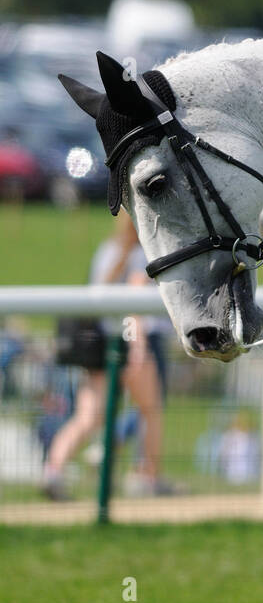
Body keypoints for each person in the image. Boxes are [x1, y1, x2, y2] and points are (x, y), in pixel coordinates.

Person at [42, 210, 173, 499]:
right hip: (129, 341)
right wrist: (137, 345)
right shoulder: (141, 254)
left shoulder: (107, 250)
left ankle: (53, 470)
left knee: (88, 417)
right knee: (151, 411)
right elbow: (134, 303)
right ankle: (147, 477)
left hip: (100, 344)